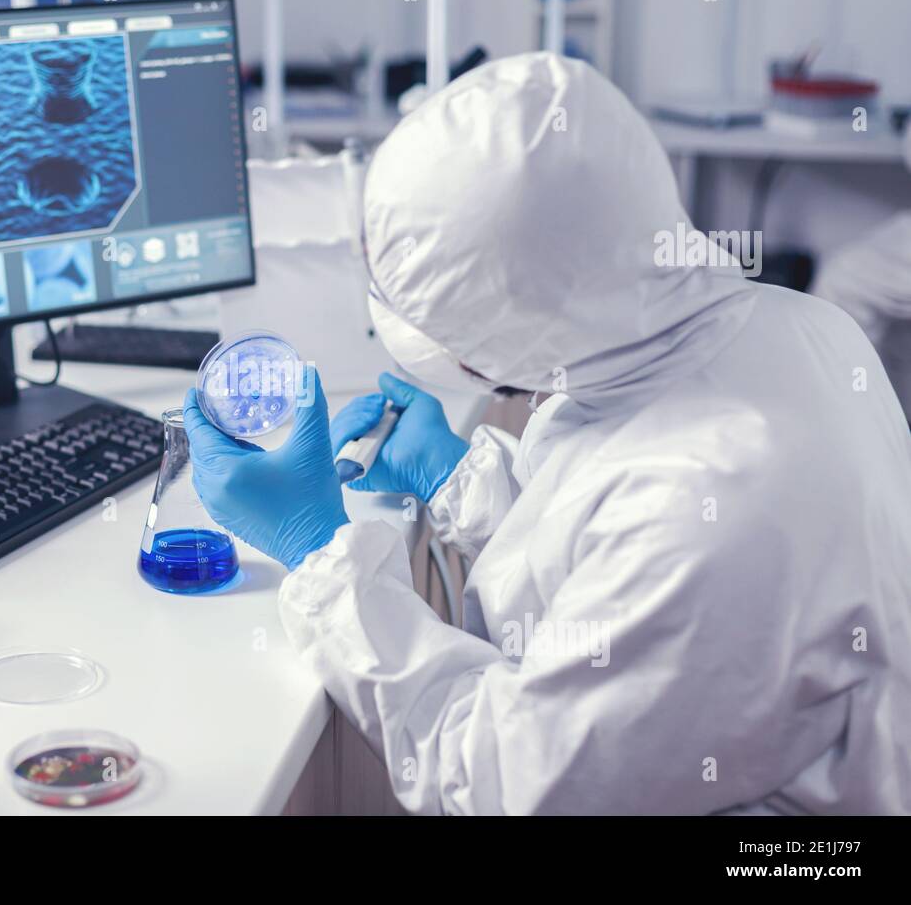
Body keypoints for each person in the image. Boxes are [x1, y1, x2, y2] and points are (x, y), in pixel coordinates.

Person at [183, 53, 911, 815]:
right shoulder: (778, 328)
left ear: (512, 329)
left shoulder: (711, 507)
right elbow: (609, 552)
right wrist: (462, 480)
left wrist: (321, 558)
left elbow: (500, 779)